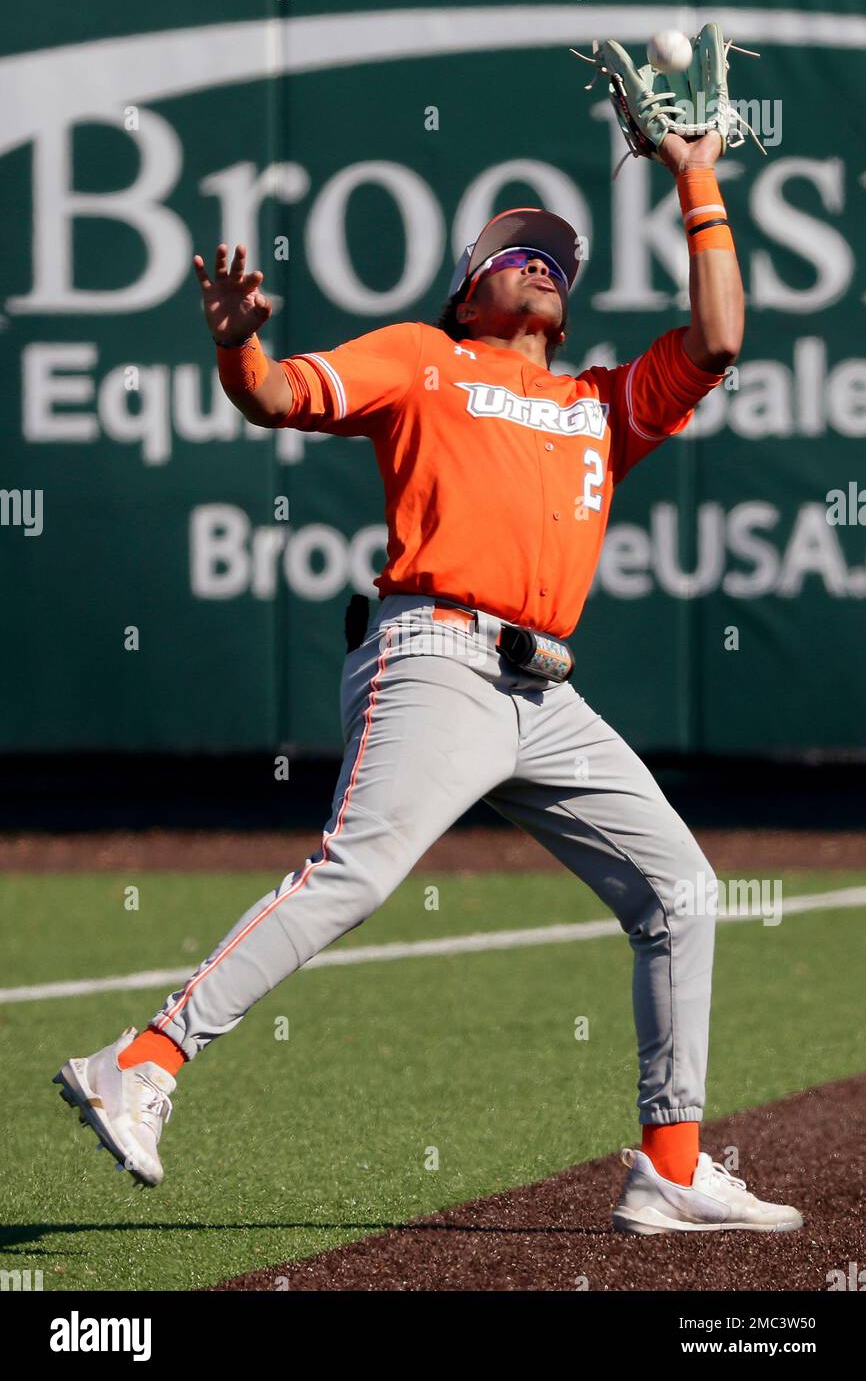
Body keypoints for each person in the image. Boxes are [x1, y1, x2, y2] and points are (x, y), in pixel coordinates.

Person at [54, 127, 803, 1235]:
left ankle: (669, 1166)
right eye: (513, 251)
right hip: (438, 657)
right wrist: (237, 356)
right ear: (465, 289)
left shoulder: (599, 402)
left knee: (681, 892)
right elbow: (276, 398)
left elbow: (721, 335)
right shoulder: (424, 357)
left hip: (544, 694)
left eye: (554, 256)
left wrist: (695, 177)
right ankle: (143, 1057)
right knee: (353, 876)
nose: (539, 263)